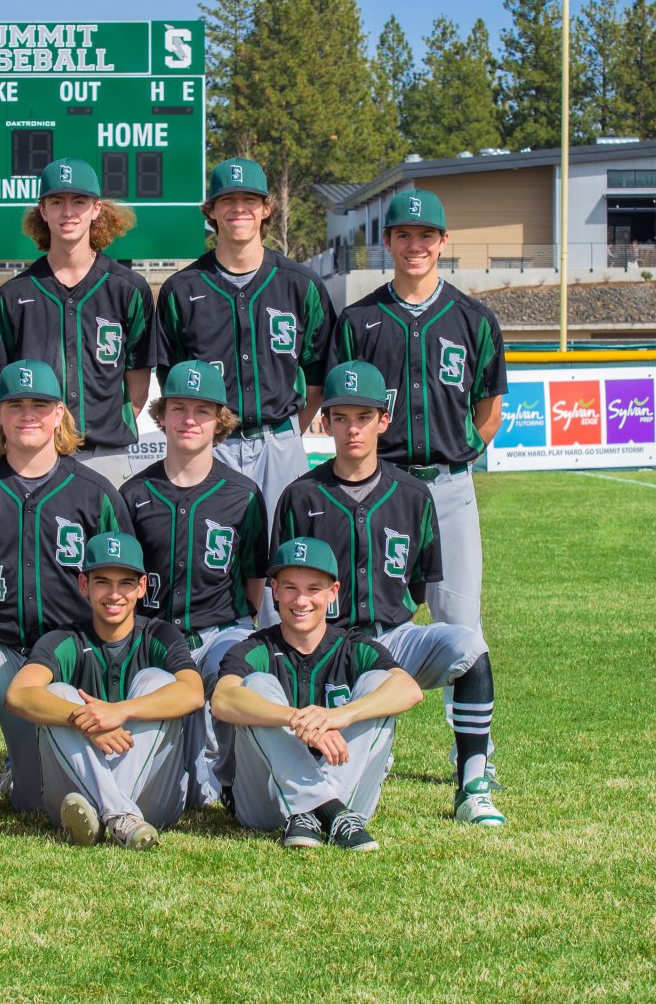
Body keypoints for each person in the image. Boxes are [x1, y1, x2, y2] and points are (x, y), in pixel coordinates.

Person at [273, 361, 506, 827]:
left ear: (384, 419)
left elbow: (417, 586)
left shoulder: (414, 495)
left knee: (469, 646)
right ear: (326, 422)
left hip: (394, 636)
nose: (352, 429)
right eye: (341, 417)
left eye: (363, 417)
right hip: (330, 647)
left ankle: (473, 785)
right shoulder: (301, 496)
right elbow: (286, 589)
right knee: (337, 767)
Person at [0, 358, 131, 814]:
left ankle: (38, 774)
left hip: (71, 655)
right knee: (34, 801)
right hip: (0, 650)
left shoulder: (95, 492)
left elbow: (121, 583)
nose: (28, 415)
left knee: (51, 792)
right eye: (15, 405)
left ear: (59, 413)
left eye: (40, 405)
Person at [329, 187, 505, 636]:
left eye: (426, 235)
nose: (415, 246)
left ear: (444, 241)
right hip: (380, 490)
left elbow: (489, 413)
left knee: (461, 626)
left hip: (450, 488)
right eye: (404, 235)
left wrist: (457, 458)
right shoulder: (357, 320)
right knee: (371, 622)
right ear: (387, 241)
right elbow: (341, 410)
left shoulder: (475, 319)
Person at [212, 538, 426, 849]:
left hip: (346, 790)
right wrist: (297, 719)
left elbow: (409, 689)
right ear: (275, 589)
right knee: (255, 687)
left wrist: (339, 716)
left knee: (380, 682)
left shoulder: (352, 646)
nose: (301, 601)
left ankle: (320, 810)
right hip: (268, 802)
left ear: (332, 592)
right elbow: (222, 700)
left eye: (313, 589)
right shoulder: (256, 648)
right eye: (290, 588)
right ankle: (330, 811)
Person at [119, 359, 267, 805]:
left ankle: (233, 781)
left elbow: (253, 581)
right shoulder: (134, 494)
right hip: (156, 636)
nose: (189, 419)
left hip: (220, 631)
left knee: (237, 674)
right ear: (161, 415)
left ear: (219, 421)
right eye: (178, 408)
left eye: (202, 410)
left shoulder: (243, 494)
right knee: (175, 778)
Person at [4, 531, 206, 849]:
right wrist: (84, 719)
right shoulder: (65, 639)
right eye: (102, 582)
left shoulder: (160, 634)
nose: (114, 594)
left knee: (158, 681)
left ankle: (109, 813)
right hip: (73, 802)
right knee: (58, 694)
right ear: (84, 584)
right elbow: (18, 693)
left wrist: (118, 712)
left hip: (152, 799)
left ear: (142, 587)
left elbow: (193, 692)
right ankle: (119, 814)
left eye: (125, 583)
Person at [154, 157, 332, 512]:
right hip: (211, 446)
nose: (239, 208)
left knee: (286, 544)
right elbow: (170, 378)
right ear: (211, 210)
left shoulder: (301, 284)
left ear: (266, 209)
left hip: (279, 443)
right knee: (212, 545)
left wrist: (288, 432)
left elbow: (318, 377)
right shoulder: (182, 289)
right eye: (228, 200)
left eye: (249, 199)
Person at [0, 158, 155, 486]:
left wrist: (102, 429)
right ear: (42, 210)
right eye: (57, 202)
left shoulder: (128, 288)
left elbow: (138, 387)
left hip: (106, 454)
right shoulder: (14, 295)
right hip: (34, 456)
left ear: (96, 208)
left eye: (79, 201)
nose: (68, 212)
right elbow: (2, 386)